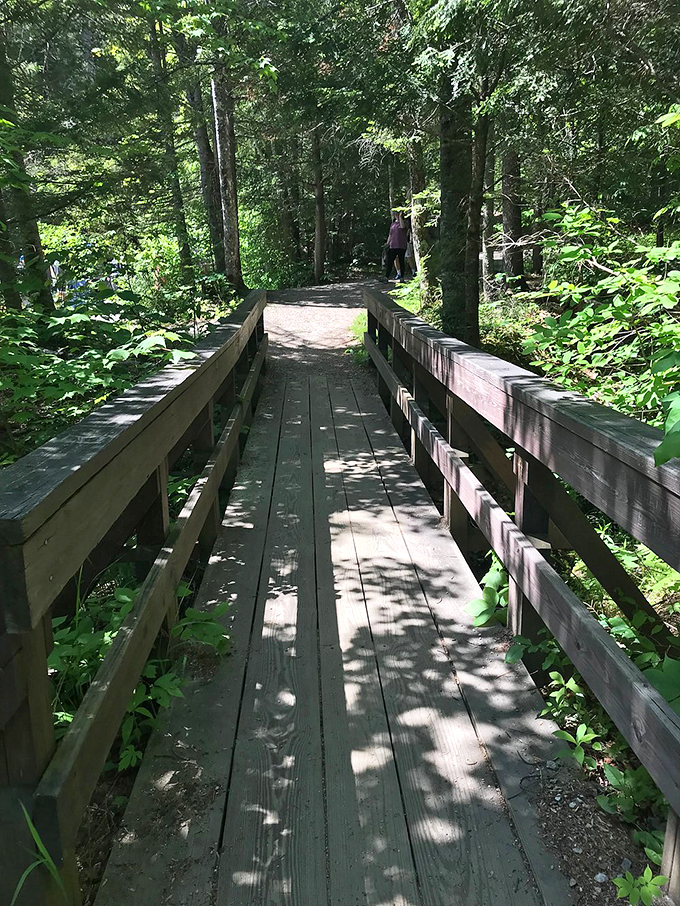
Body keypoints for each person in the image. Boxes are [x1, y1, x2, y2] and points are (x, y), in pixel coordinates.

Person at [383, 211, 408, 281]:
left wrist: (400, 217)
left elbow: (402, 227)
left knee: (401, 261)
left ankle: (402, 277)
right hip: (393, 245)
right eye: (395, 214)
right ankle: (386, 277)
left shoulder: (405, 222)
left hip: (401, 245)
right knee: (390, 261)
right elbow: (390, 234)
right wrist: (387, 243)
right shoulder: (393, 224)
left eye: (396, 214)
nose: (395, 215)